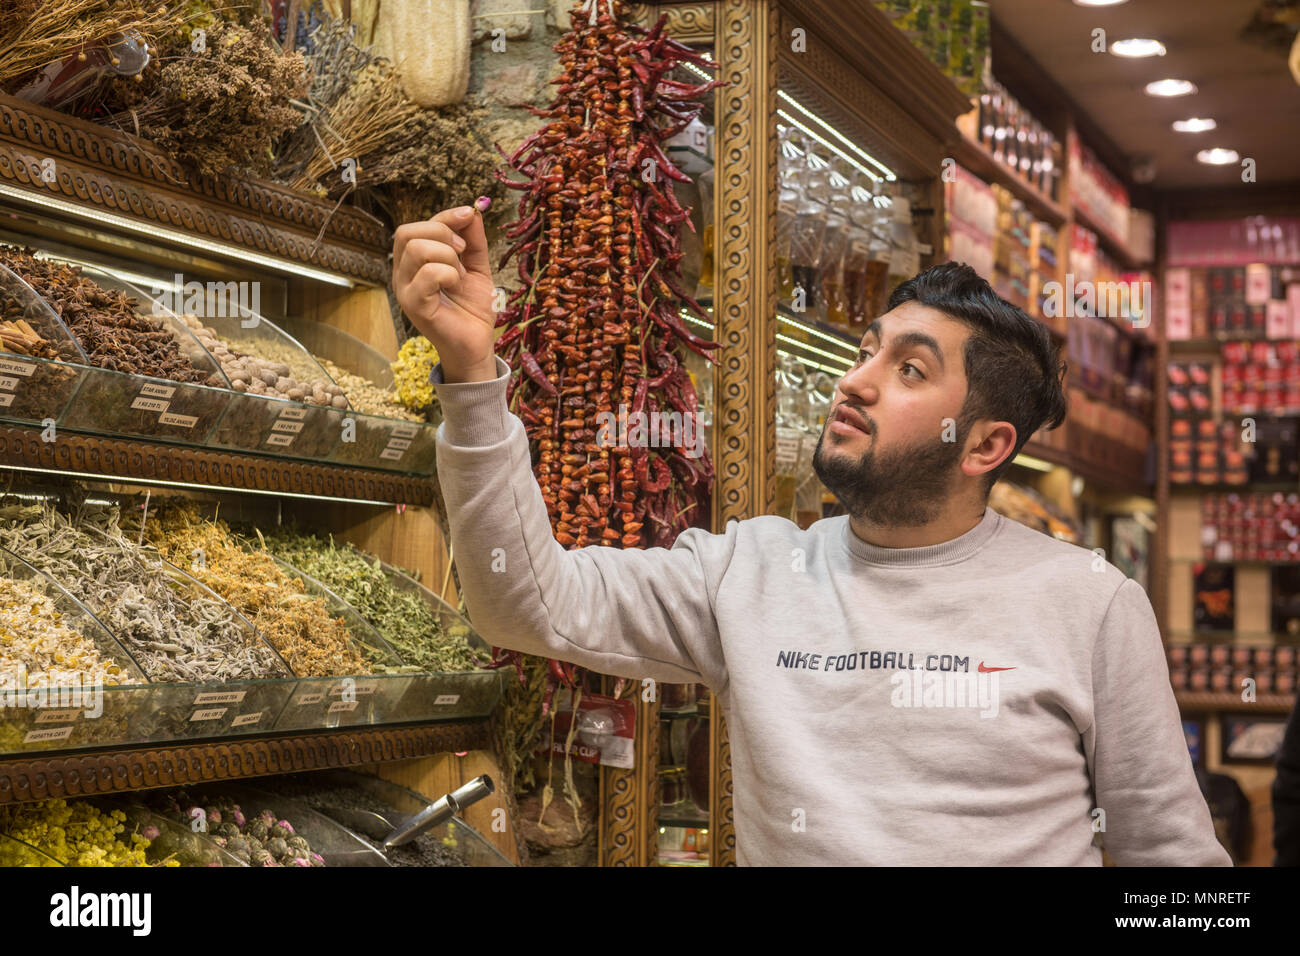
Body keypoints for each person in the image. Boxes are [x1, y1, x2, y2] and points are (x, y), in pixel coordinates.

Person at [391, 202, 1231, 866]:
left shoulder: (1089, 604)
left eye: (908, 369)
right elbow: (522, 605)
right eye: (866, 351)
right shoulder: (750, 572)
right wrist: (471, 373)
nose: (855, 381)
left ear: (985, 445)